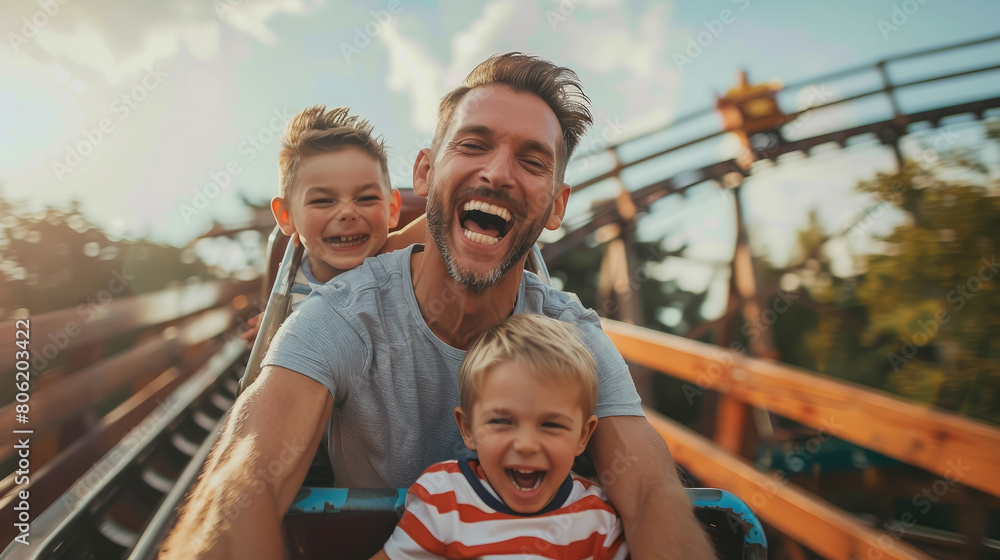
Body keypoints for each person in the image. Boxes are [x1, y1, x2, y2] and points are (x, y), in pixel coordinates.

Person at [161, 52, 713, 559]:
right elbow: (243, 484)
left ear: (556, 205)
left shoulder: (569, 334)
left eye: (532, 161)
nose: (498, 173)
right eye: (473, 145)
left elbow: (650, 492)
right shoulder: (343, 315)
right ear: (425, 172)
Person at [373, 313, 628, 560]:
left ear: (583, 436)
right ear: (468, 429)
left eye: (551, 424)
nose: (526, 445)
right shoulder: (443, 501)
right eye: (502, 421)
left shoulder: (599, 521)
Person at [237, 104, 425, 344]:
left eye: (366, 198)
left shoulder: (391, 257)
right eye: (323, 201)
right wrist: (274, 321)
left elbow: (442, 221)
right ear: (286, 216)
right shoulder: (288, 284)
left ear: (392, 208)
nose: (347, 212)